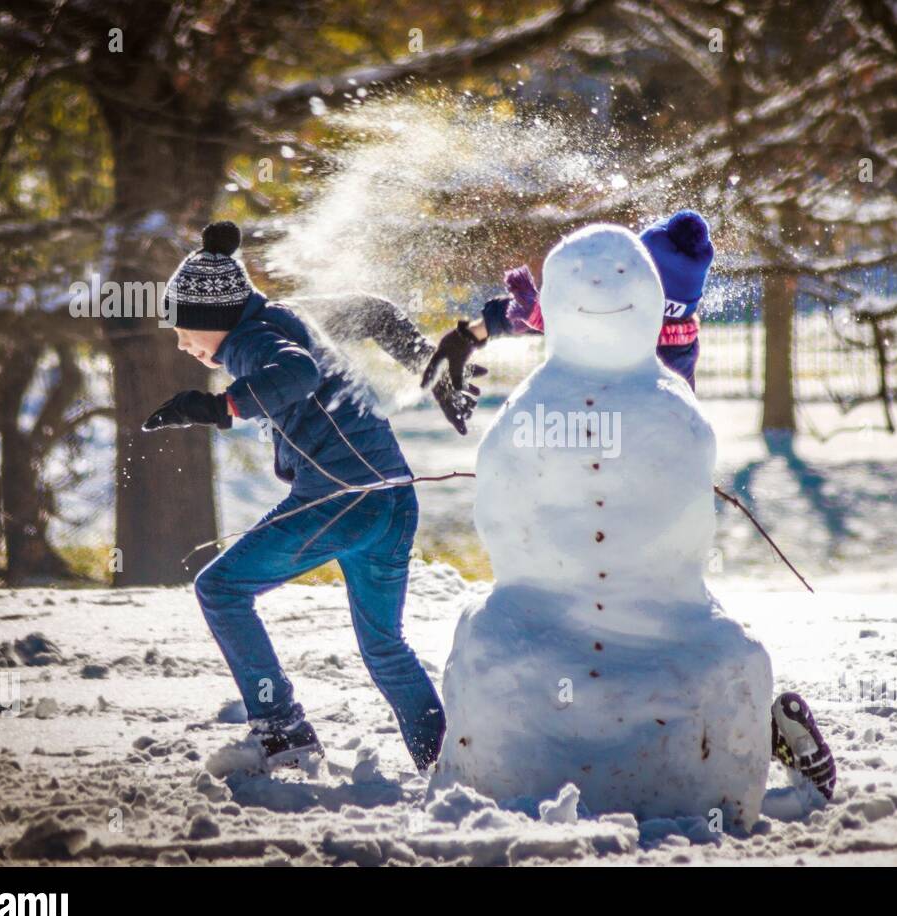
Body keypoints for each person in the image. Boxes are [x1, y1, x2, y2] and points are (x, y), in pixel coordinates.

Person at [422, 211, 839, 802]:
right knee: (694, 651)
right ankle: (764, 727)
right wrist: (482, 329)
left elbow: (555, 317)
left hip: (606, 557)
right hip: (649, 563)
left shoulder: (655, 355)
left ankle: (764, 727)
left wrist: (478, 331)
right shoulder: (663, 332)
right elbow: (561, 315)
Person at [142, 220, 481, 772]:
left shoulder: (250, 343)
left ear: (215, 319)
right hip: (393, 497)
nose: (182, 345)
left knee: (221, 589)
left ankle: (282, 729)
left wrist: (216, 408)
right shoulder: (286, 314)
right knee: (385, 647)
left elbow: (296, 373)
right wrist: (431, 365)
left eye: (186, 331)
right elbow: (372, 312)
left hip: (341, 499)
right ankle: (451, 767)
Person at [421, 209, 714, 394]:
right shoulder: (669, 335)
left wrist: (470, 336)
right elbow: (549, 314)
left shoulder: (654, 355)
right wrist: (469, 335)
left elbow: (552, 316)